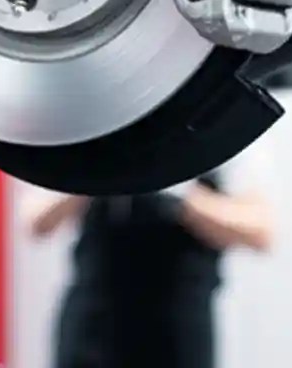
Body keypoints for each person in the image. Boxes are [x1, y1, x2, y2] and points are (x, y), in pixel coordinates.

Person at [27, 148, 276, 368]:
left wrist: (180, 193)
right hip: (93, 319)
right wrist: (95, 174)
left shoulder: (227, 133)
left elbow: (260, 232)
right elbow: (35, 222)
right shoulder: (91, 129)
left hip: (179, 325)